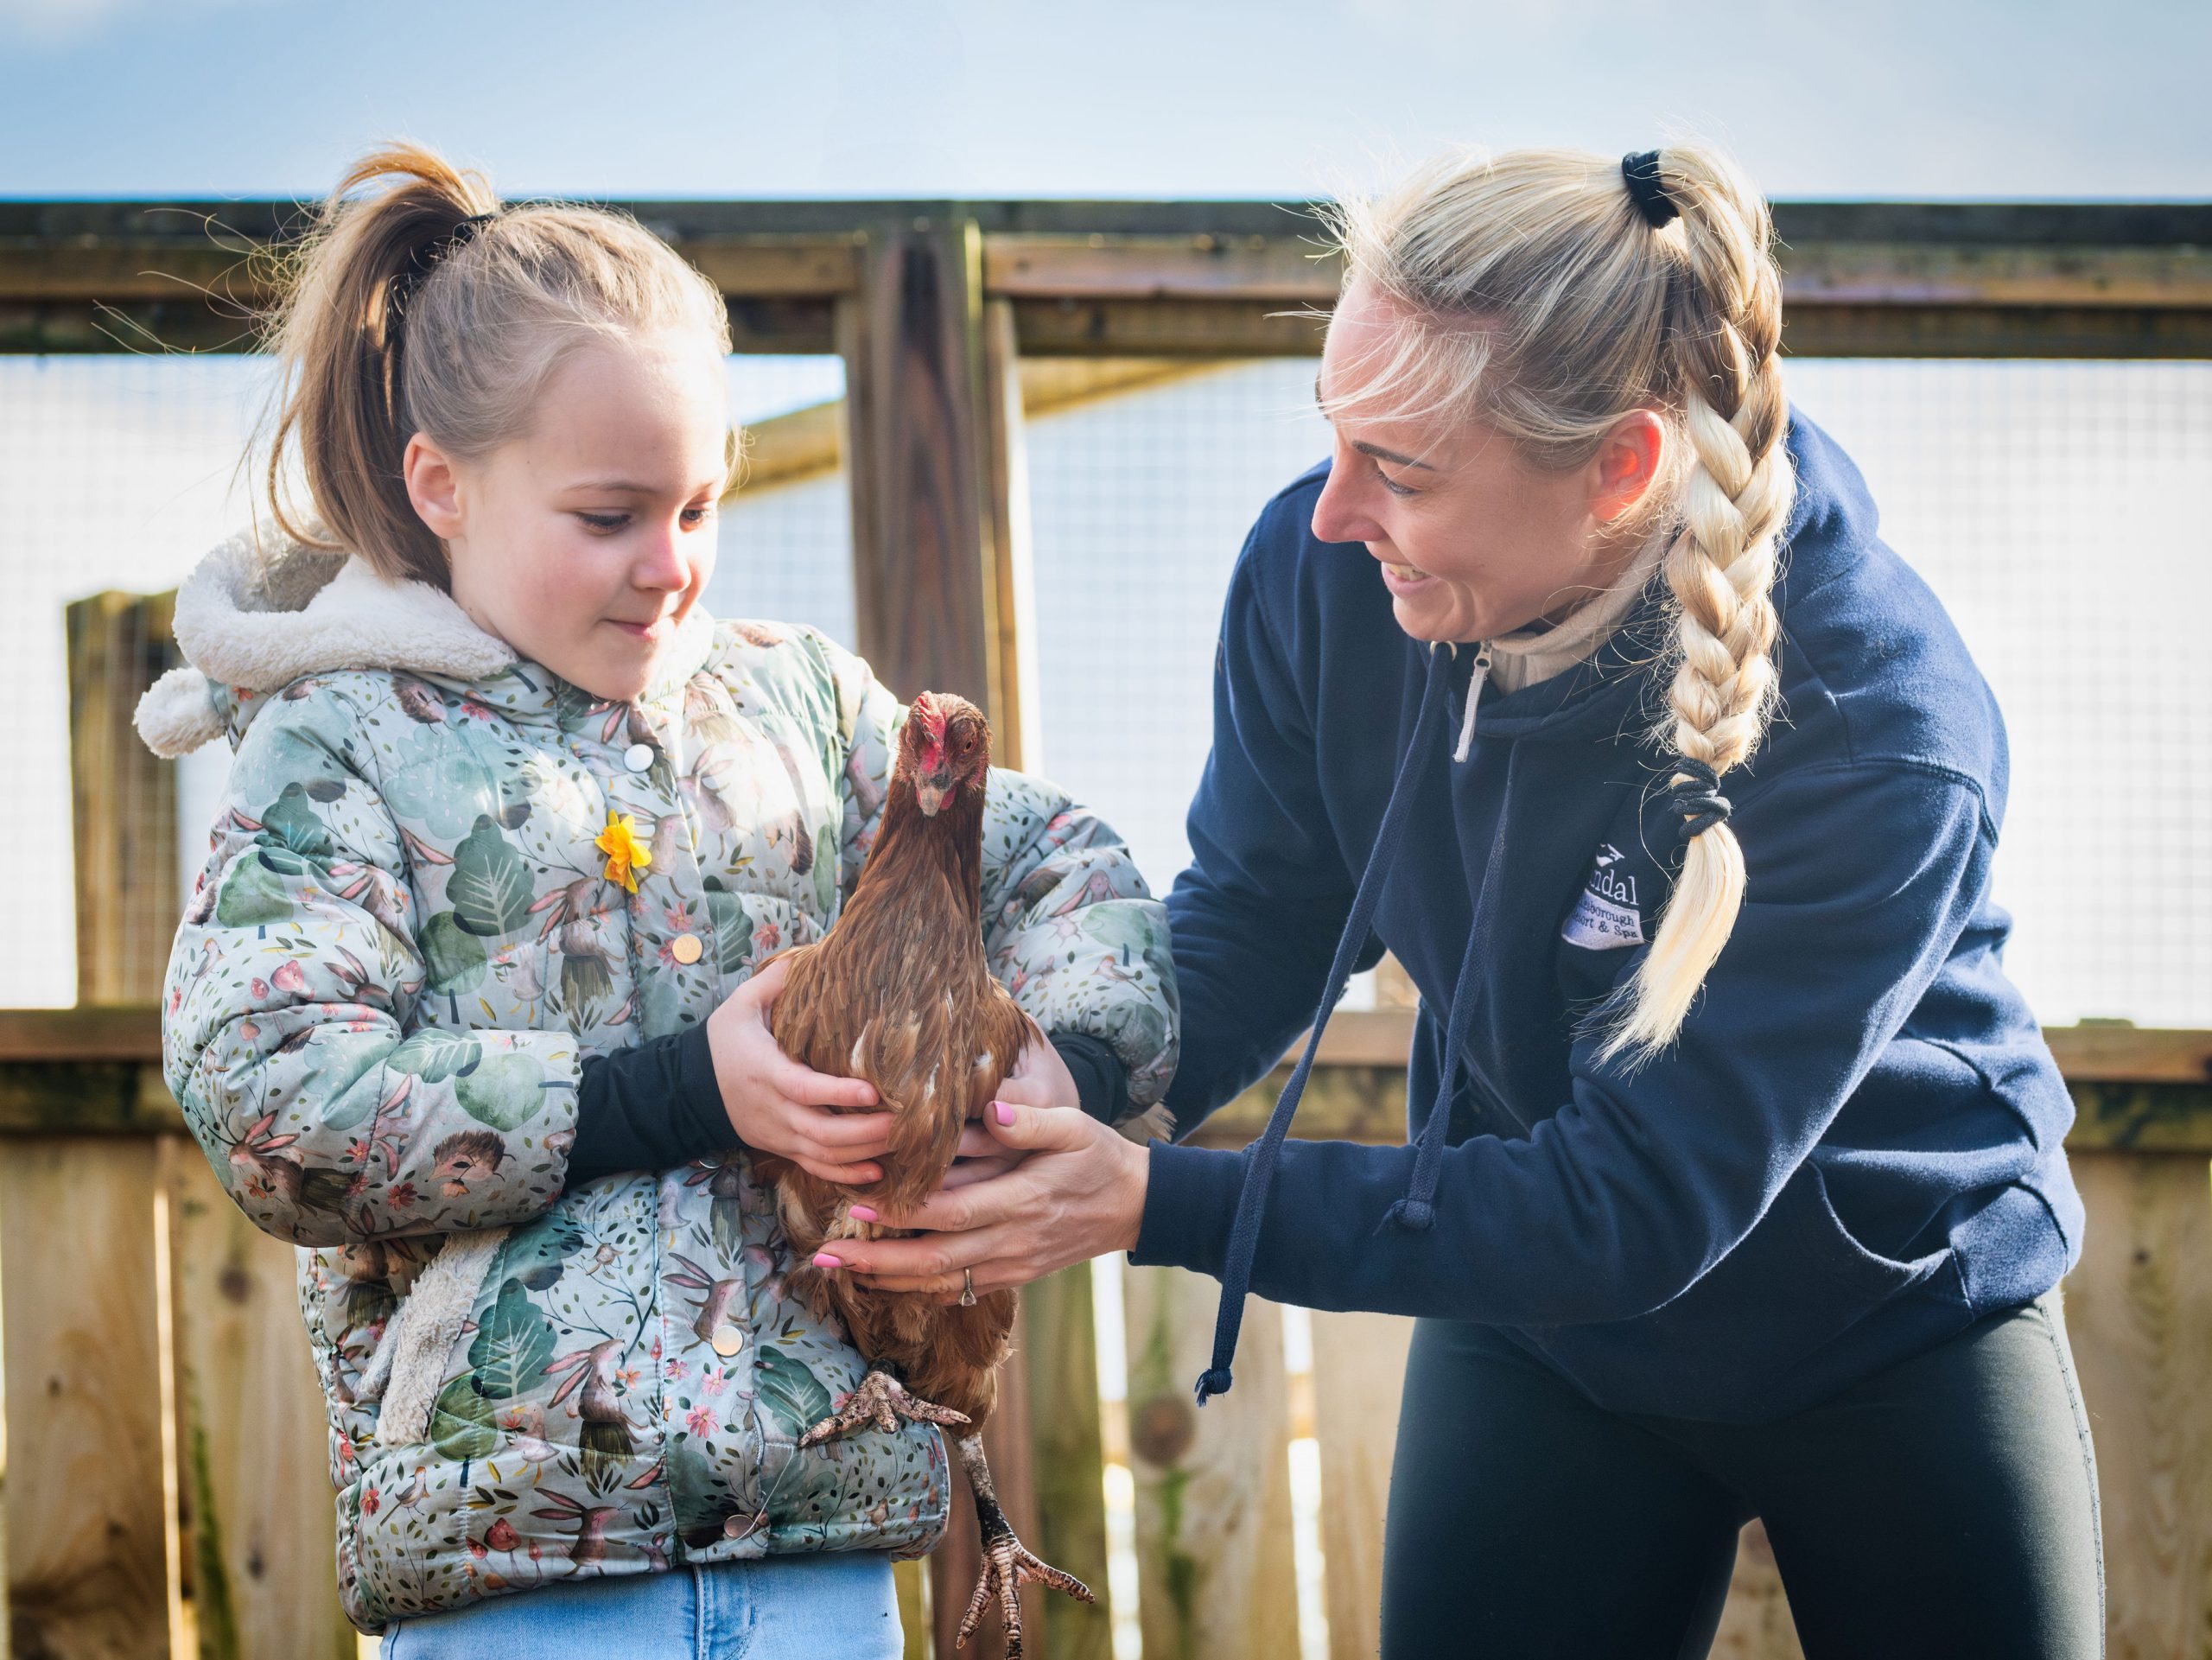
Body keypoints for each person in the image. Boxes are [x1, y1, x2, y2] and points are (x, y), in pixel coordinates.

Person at [815, 143, 2105, 1658]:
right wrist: (1066, 1084)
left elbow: (1633, 1200)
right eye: (1335, 434)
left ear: (1620, 468)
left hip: (1893, 1315)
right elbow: (1263, 908)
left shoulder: (1878, 728)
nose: (1329, 513)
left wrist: (1153, 1200)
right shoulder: (1323, 587)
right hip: (1542, 1337)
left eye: (1404, 470)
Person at [144, 143, 1177, 1657]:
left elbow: (1054, 862)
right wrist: (679, 1089)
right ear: (443, 483)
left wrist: (1055, 1065)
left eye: (699, 507)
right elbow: (267, 1085)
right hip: (519, 1570)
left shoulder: (805, 710)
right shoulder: (342, 744)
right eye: (610, 515)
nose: (669, 566)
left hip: (823, 1544)